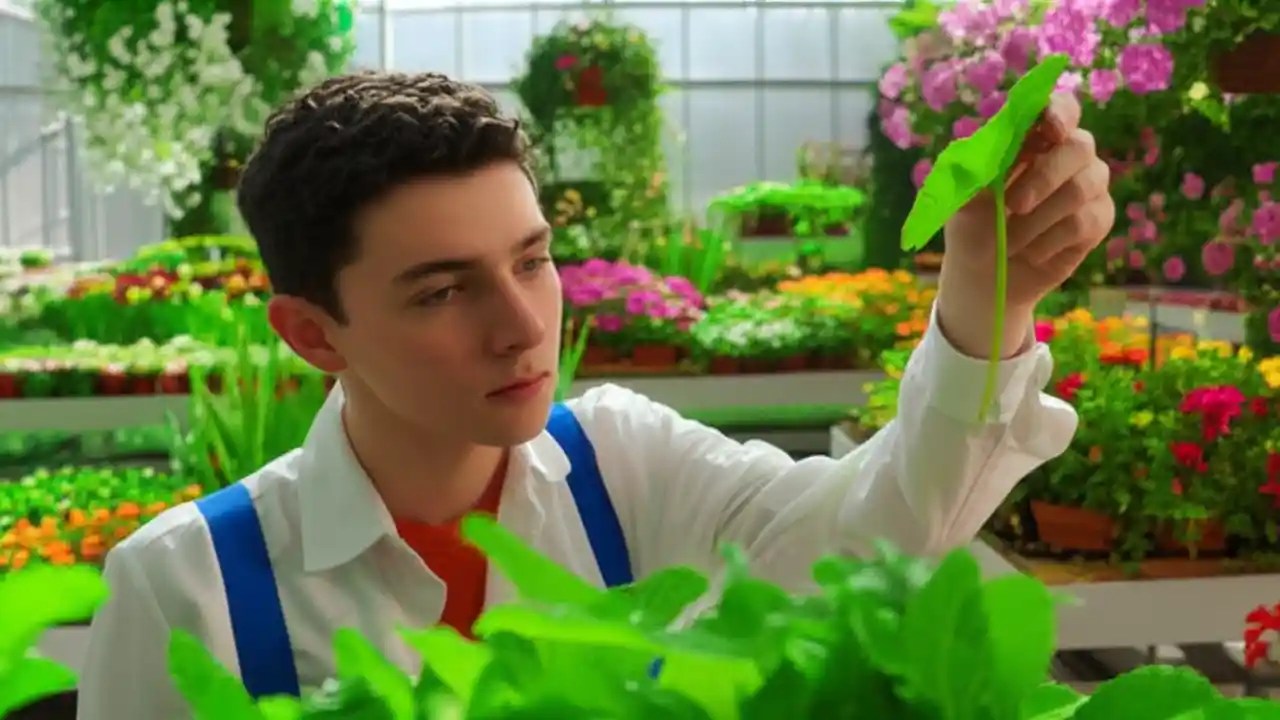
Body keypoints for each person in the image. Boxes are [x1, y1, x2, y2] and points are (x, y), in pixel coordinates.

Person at [77, 71, 1114, 718]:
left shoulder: (621, 467)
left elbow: (872, 527)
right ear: (311, 334)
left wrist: (990, 295)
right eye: (443, 290)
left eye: (531, 261)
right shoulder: (187, 587)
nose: (522, 324)